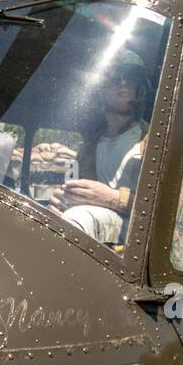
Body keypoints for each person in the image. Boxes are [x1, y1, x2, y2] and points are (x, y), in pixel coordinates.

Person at [49, 63, 150, 245]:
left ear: (140, 91)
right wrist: (61, 199)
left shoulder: (153, 140)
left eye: (130, 79)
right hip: (94, 236)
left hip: (137, 238)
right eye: (114, 78)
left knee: (79, 217)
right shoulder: (90, 146)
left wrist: (114, 199)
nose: (121, 83)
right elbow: (74, 186)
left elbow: (175, 207)